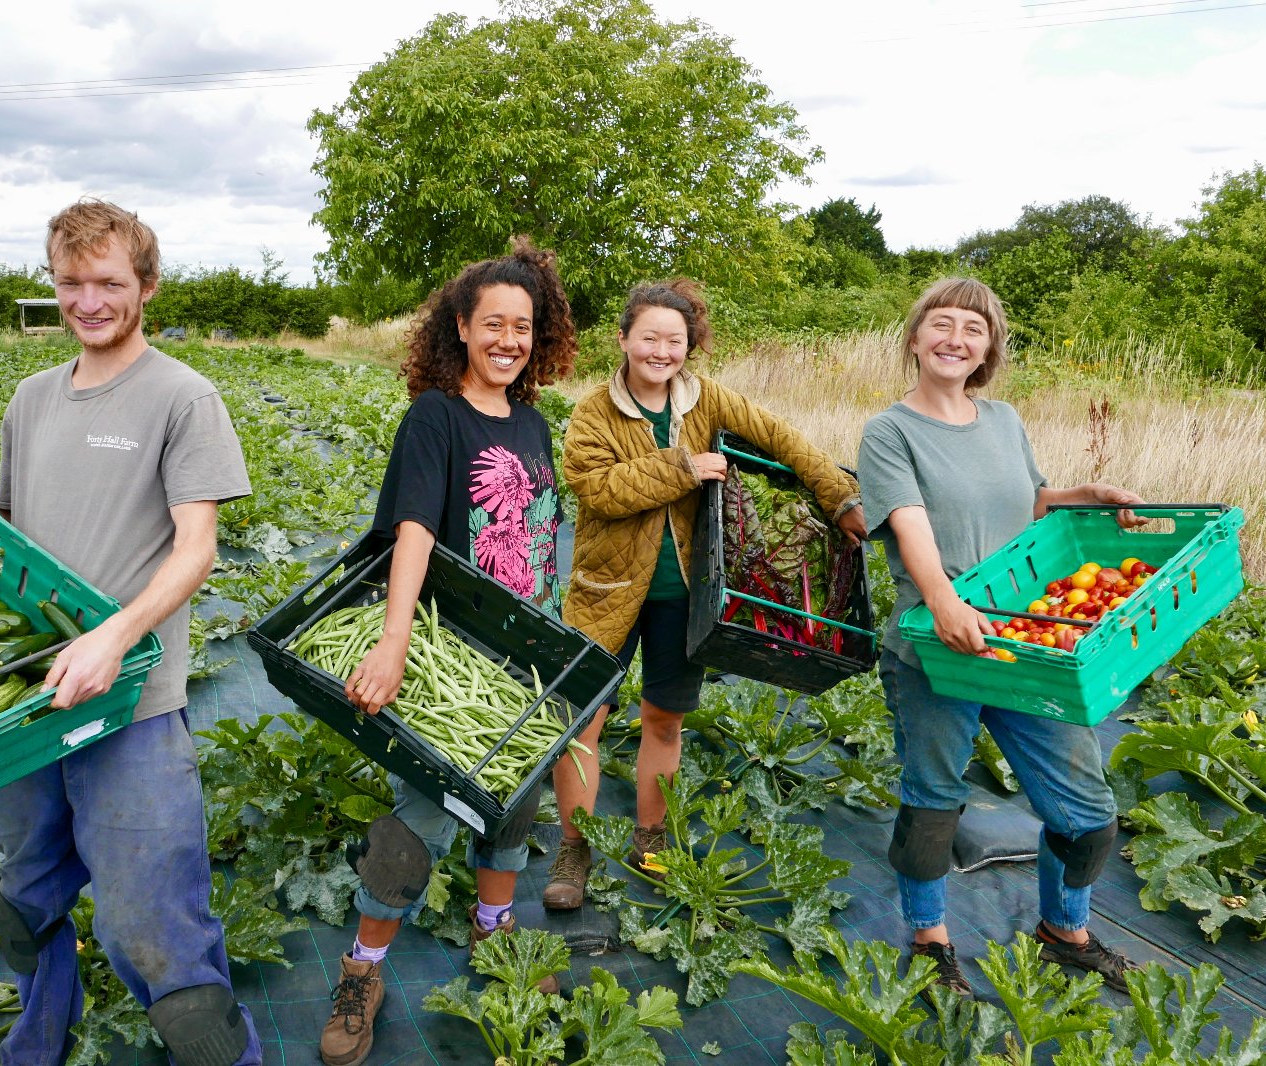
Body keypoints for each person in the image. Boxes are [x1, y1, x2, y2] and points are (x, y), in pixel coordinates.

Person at [0, 199, 262, 1066]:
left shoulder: (185, 397)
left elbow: (196, 551)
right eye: (71, 282)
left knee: (157, 933)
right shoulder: (31, 400)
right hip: (26, 709)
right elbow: (5, 527)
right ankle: (42, 1027)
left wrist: (115, 635)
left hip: (131, 708)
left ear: (145, 285)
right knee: (24, 894)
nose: (89, 300)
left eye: (109, 282)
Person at [319, 239, 578, 1066]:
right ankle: (363, 969)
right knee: (425, 811)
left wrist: (563, 653)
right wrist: (394, 644)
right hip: (450, 654)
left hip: (523, 659)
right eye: (493, 323)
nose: (509, 339)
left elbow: (539, 541)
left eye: (524, 327)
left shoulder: (535, 422)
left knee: (514, 802)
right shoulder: (435, 416)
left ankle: (495, 931)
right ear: (461, 328)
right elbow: (415, 532)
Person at [856, 277, 1146, 998]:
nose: (956, 339)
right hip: (934, 644)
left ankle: (1063, 930)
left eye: (973, 329)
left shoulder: (1005, 420)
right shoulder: (889, 431)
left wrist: (1087, 495)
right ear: (916, 338)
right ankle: (930, 939)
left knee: (1086, 812)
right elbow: (908, 519)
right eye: (942, 324)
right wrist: (944, 600)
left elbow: (1028, 500)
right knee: (933, 800)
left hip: (1023, 642)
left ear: (989, 348)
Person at [542, 278, 866, 911]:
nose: (662, 351)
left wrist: (840, 496)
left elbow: (783, 440)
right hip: (606, 591)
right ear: (625, 339)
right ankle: (573, 849)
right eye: (650, 338)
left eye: (675, 340)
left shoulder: (707, 399)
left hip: (683, 596)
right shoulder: (593, 413)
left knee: (664, 718)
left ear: (689, 345)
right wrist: (682, 468)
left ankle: (650, 837)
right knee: (583, 720)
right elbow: (597, 490)